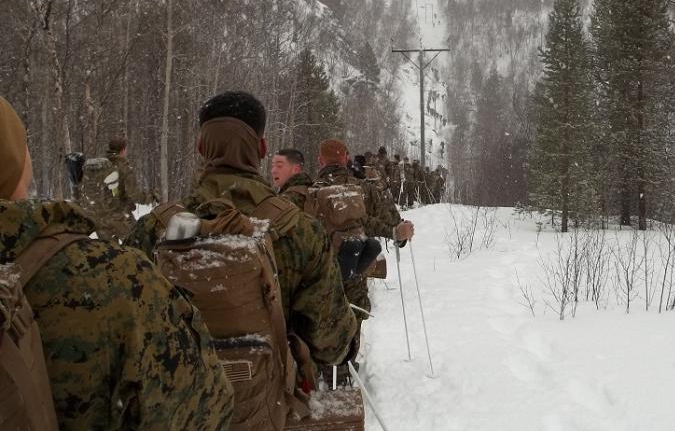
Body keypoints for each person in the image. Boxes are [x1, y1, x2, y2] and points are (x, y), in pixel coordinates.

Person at [0, 96, 233, 431]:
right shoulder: (122, 282)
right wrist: (150, 198)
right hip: (107, 234)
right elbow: (208, 411)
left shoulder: (93, 167)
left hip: (93, 224)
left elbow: (84, 193)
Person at [126, 91, 357, 374]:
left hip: (178, 413)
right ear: (262, 148)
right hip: (268, 408)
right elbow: (333, 345)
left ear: (201, 147)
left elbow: (123, 333)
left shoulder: (152, 230)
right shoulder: (300, 230)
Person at [285, 139, 413, 365]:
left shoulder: (307, 192)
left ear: (319, 160)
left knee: (317, 318)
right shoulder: (364, 188)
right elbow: (387, 221)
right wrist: (397, 234)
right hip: (355, 269)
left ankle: (317, 368)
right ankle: (346, 367)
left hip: (319, 277)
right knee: (353, 315)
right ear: (346, 158)